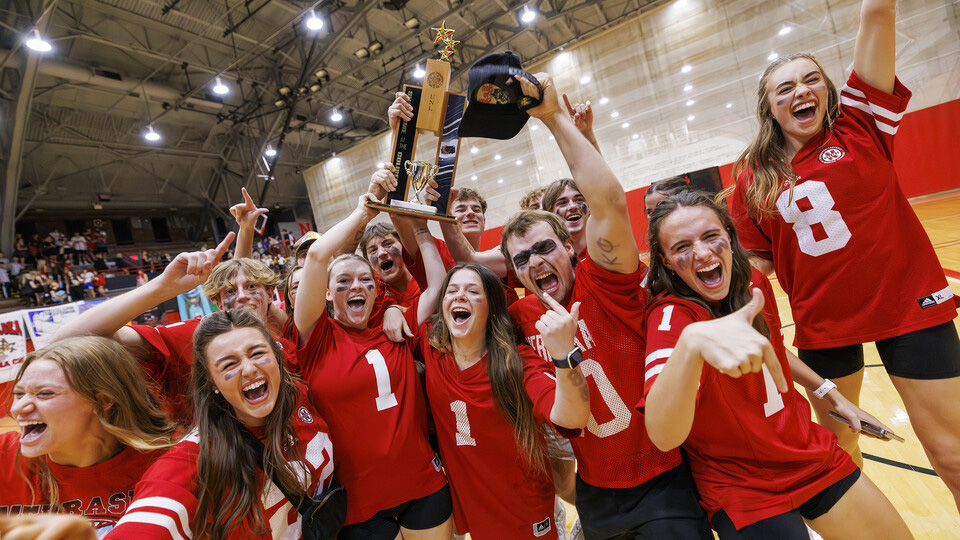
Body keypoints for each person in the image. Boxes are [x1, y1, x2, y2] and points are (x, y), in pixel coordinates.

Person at [724, 0, 960, 505]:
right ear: (768, 106)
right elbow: (760, 260)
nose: (800, 91)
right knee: (839, 448)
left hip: (911, 308)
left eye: (811, 80)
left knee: (953, 452)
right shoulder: (751, 178)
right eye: (784, 88)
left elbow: (878, 14)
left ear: (828, 90)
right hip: (823, 325)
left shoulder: (861, 122)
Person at [503, 70, 740, 538]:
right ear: (515, 274)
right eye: (523, 258)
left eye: (546, 248)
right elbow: (568, 418)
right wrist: (564, 356)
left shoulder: (604, 279)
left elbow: (607, 202)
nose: (537, 262)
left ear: (571, 247)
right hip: (597, 491)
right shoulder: (521, 321)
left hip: (664, 477)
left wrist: (554, 120)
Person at [642, 191, 913, 539]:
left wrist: (833, 394)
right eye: (681, 247)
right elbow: (665, 436)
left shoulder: (752, 284)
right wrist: (692, 344)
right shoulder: (670, 318)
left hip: (806, 454)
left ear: (728, 233)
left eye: (711, 236)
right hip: (743, 486)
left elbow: (773, 348)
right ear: (664, 261)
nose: (702, 252)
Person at [295, 193, 453, 539]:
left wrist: (422, 230)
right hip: (360, 505)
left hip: (424, 485)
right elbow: (319, 255)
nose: (357, 286)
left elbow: (438, 288)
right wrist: (364, 211)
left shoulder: (393, 328)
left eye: (366, 280)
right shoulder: (315, 338)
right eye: (344, 282)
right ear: (325, 293)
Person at [108, 309, 335, 540]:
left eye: (257, 353)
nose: (249, 369)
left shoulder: (302, 394)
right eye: (229, 365)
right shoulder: (196, 458)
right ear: (211, 382)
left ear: (277, 358)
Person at [421, 262, 590, 539]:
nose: (460, 296)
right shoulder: (431, 347)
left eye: (473, 291)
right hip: (475, 509)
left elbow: (571, 418)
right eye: (452, 290)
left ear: (492, 307)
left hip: (524, 506)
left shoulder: (517, 361)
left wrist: (564, 356)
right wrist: (393, 310)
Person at [3, 337, 176, 535]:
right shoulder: (3, 456)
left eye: (44, 394)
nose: (18, 408)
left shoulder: (171, 461)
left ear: (102, 401)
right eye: (18, 393)